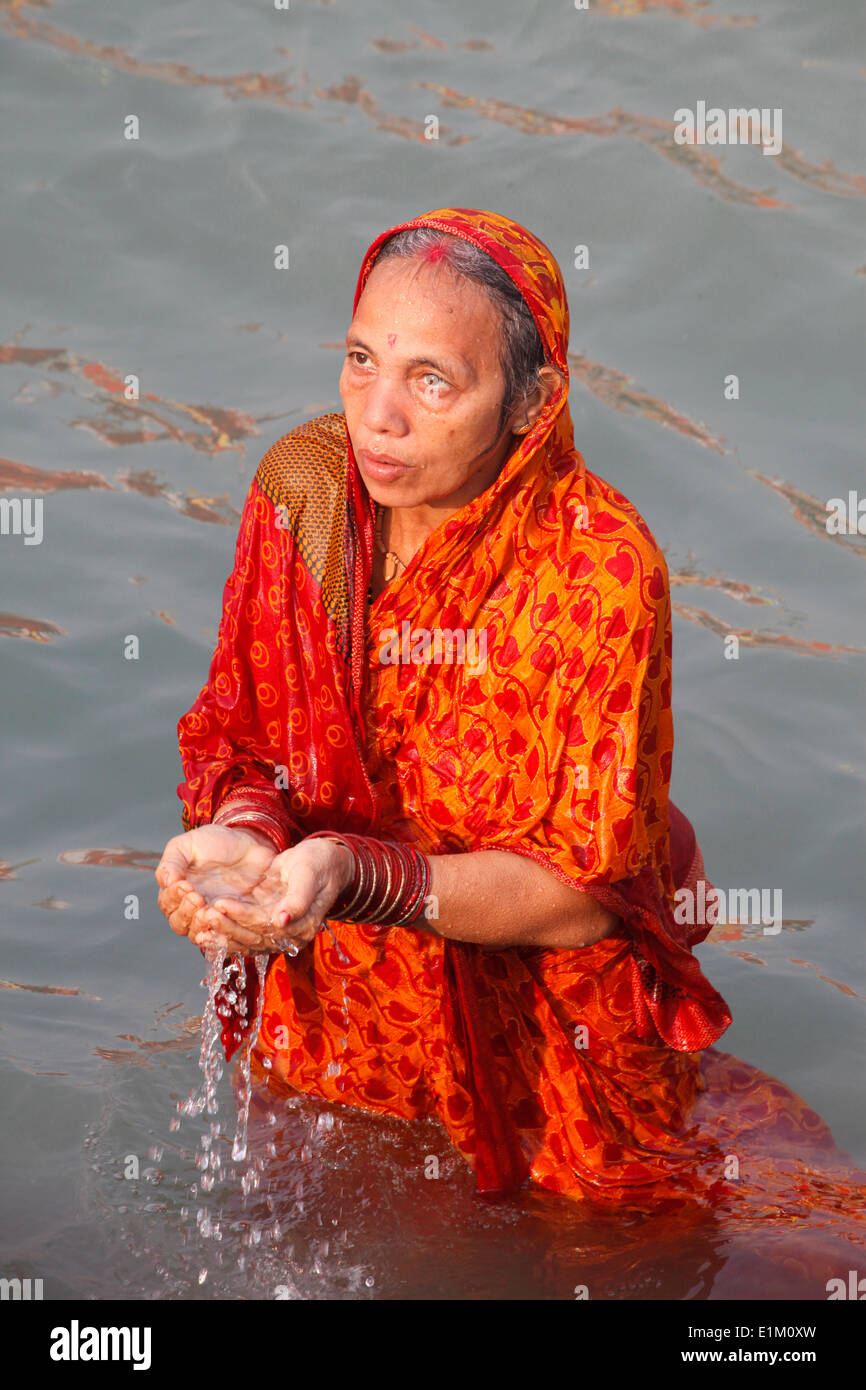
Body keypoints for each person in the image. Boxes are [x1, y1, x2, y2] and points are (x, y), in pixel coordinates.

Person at [154, 209, 829, 1212]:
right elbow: (245, 731)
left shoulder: (597, 570)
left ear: (531, 400)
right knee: (352, 1209)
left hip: (547, 1040)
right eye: (359, 359)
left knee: (626, 1247)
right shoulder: (304, 489)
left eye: (431, 381)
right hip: (337, 990)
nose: (376, 414)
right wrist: (247, 838)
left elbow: (581, 895)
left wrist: (351, 871)